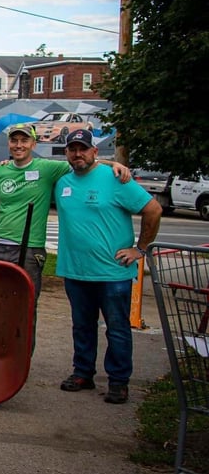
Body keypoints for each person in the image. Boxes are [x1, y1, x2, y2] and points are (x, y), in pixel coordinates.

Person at [0, 122, 130, 301]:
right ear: (9, 144)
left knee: (25, 305)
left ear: (33, 144)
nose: (19, 145)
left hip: (29, 249)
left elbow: (80, 161)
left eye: (24, 140)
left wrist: (112, 163)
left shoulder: (47, 168)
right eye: (14, 140)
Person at [54, 129, 161, 405]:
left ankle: (118, 381)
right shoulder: (62, 181)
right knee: (82, 325)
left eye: (83, 149)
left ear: (94, 152)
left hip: (112, 273)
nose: (78, 154)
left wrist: (140, 249)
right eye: (72, 149)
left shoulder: (115, 179)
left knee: (117, 328)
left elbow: (153, 210)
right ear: (66, 153)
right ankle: (83, 373)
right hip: (76, 271)